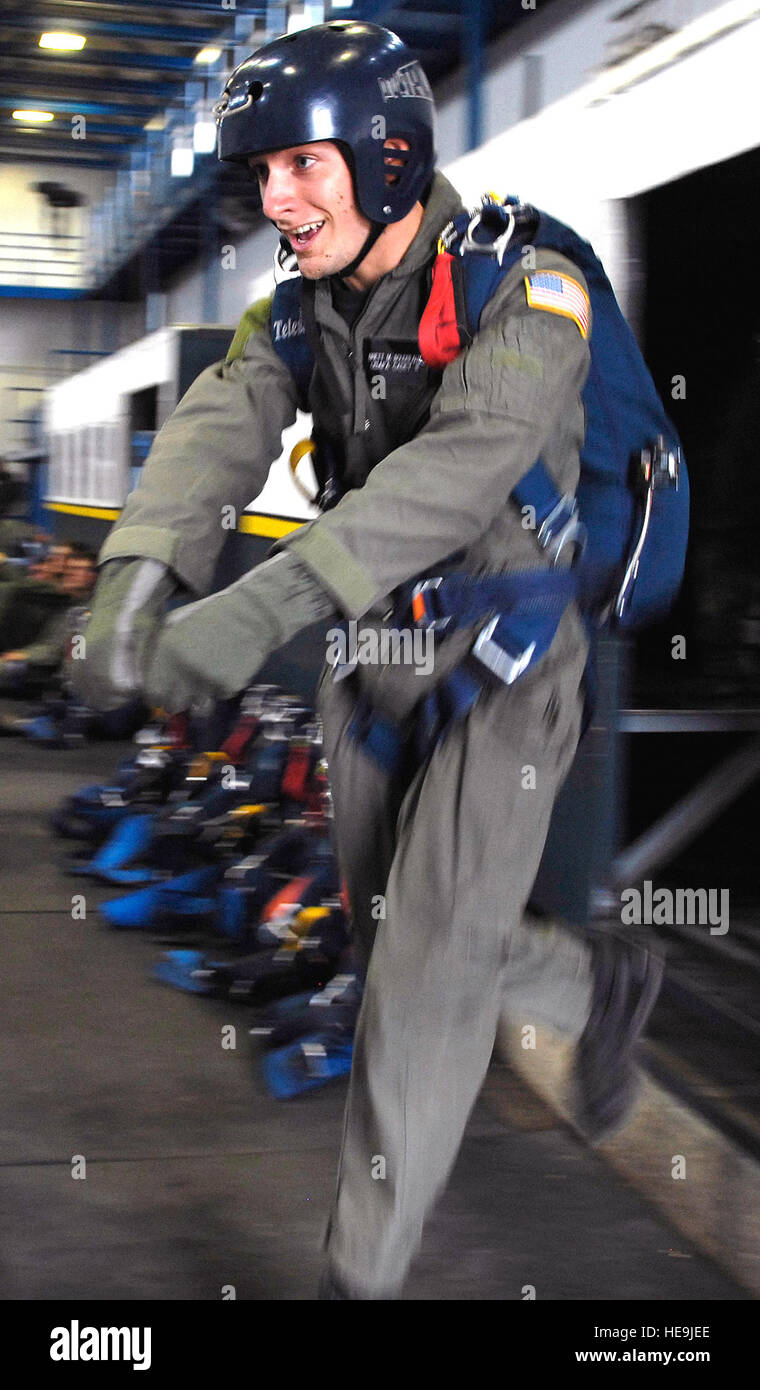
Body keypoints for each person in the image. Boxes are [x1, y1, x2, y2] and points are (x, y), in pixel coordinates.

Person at [74, 21, 663, 1300]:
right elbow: (218, 422)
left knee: (418, 990)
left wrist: (244, 614)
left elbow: (457, 475)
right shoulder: (302, 306)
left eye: (300, 164)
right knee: (393, 942)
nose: (275, 199)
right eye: (260, 174)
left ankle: (361, 1280)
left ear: (387, 153)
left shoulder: (526, 282)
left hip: (507, 664)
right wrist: (137, 575)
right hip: (372, 668)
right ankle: (593, 980)